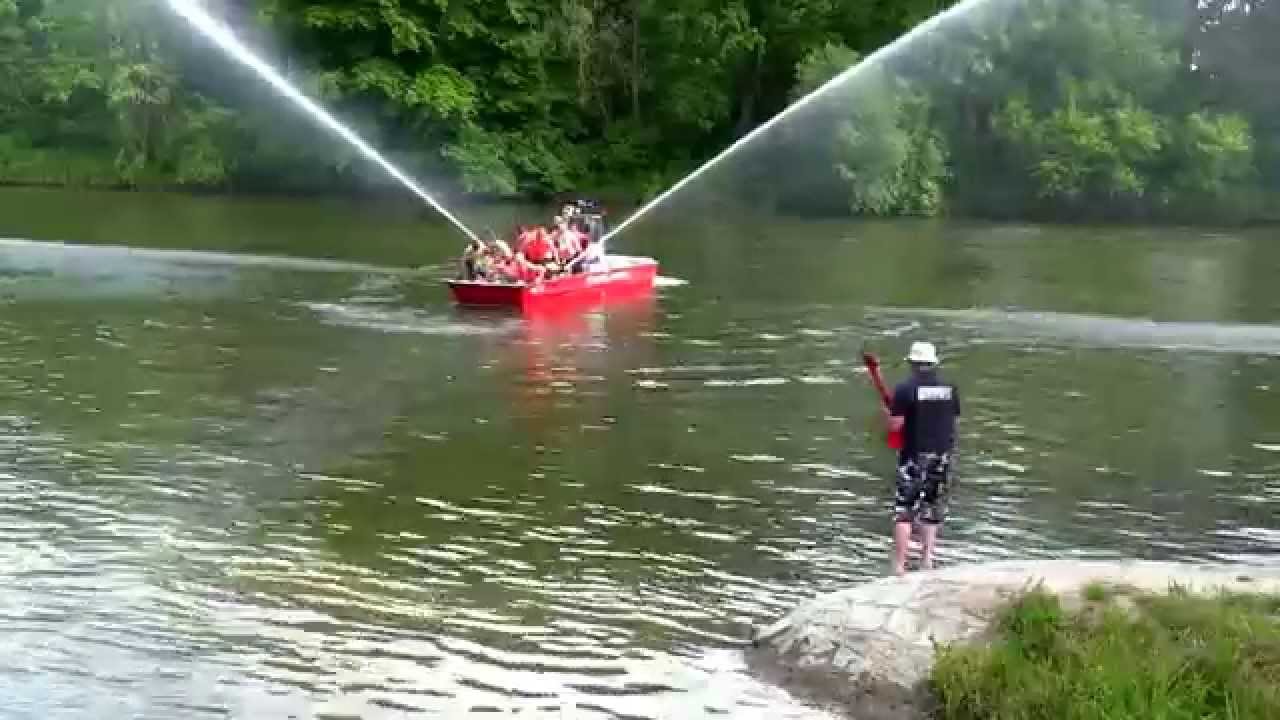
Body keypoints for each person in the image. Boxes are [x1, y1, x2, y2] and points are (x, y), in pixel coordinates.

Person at [887, 341, 960, 576]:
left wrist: (888, 415)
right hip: (942, 454)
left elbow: (895, 426)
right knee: (932, 507)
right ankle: (927, 561)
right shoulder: (949, 388)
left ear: (912, 363)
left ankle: (899, 566)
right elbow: (953, 420)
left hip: (915, 455)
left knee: (904, 510)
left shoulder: (905, 389)